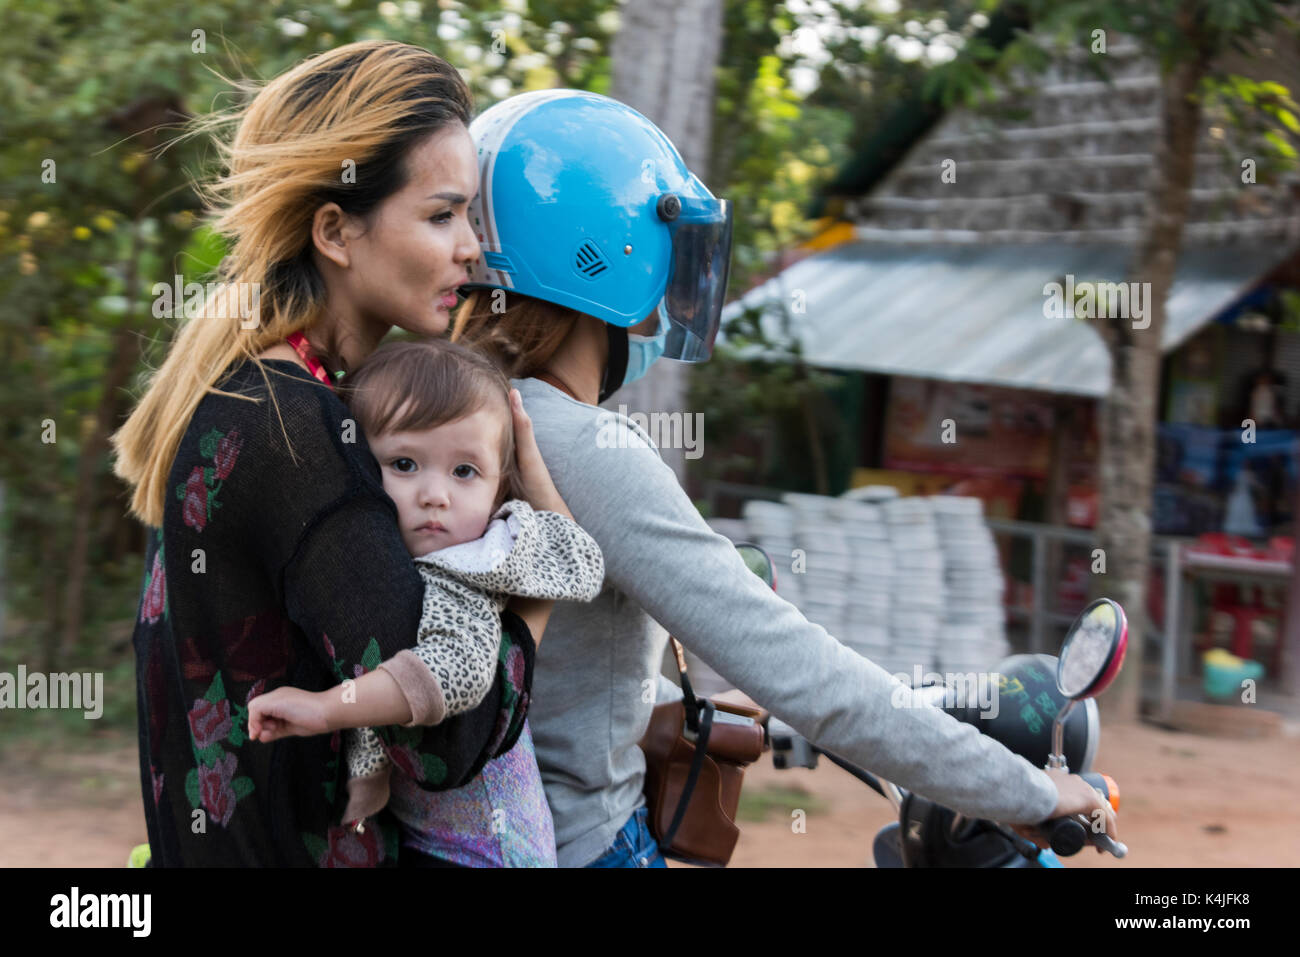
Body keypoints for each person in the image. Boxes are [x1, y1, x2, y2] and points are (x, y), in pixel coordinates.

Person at [452, 90, 1120, 867]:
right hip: (585, 845)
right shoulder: (584, 444)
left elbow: (542, 669)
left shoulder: (452, 420)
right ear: (610, 247)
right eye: (668, 241)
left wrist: (670, 698)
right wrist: (1028, 793)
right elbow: (804, 670)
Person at [111, 41, 567, 867]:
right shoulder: (297, 433)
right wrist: (540, 581)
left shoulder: (248, 396)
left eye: (469, 219)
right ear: (336, 231)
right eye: (442, 215)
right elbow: (445, 742)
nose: (473, 248)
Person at [245, 339, 604, 867]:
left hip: (484, 854)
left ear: (499, 488)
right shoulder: (384, 564)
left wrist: (326, 709)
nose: (435, 494)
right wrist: (369, 777)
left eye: (465, 472)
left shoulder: (468, 567)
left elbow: (454, 671)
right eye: (405, 463)